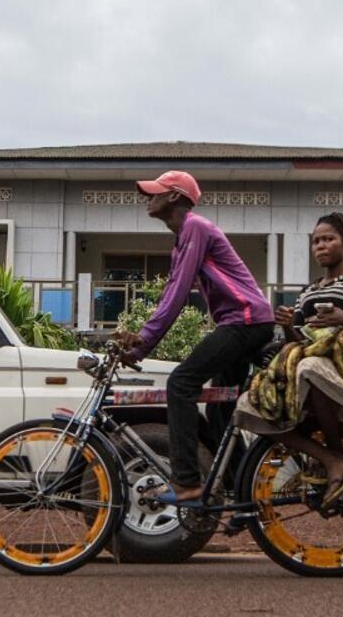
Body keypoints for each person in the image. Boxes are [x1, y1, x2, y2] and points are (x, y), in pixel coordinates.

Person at [119, 171, 275, 504]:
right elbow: (170, 292)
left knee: (181, 384)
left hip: (245, 320)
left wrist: (144, 342)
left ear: (174, 196)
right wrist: (140, 341)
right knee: (220, 410)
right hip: (242, 322)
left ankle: (187, 481)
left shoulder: (195, 227)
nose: (149, 199)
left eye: (156, 193)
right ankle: (243, 496)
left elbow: (177, 294)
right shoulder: (183, 240)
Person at [234, 212, 343, 505]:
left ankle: (335, 453)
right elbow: (299, 343)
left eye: (328, 239)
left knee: (311, 367)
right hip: (306, 365)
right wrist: (288, 325)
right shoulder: (308, 292)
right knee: (247, 408)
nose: (321, 246)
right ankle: (331, 458)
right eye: (316, 241)